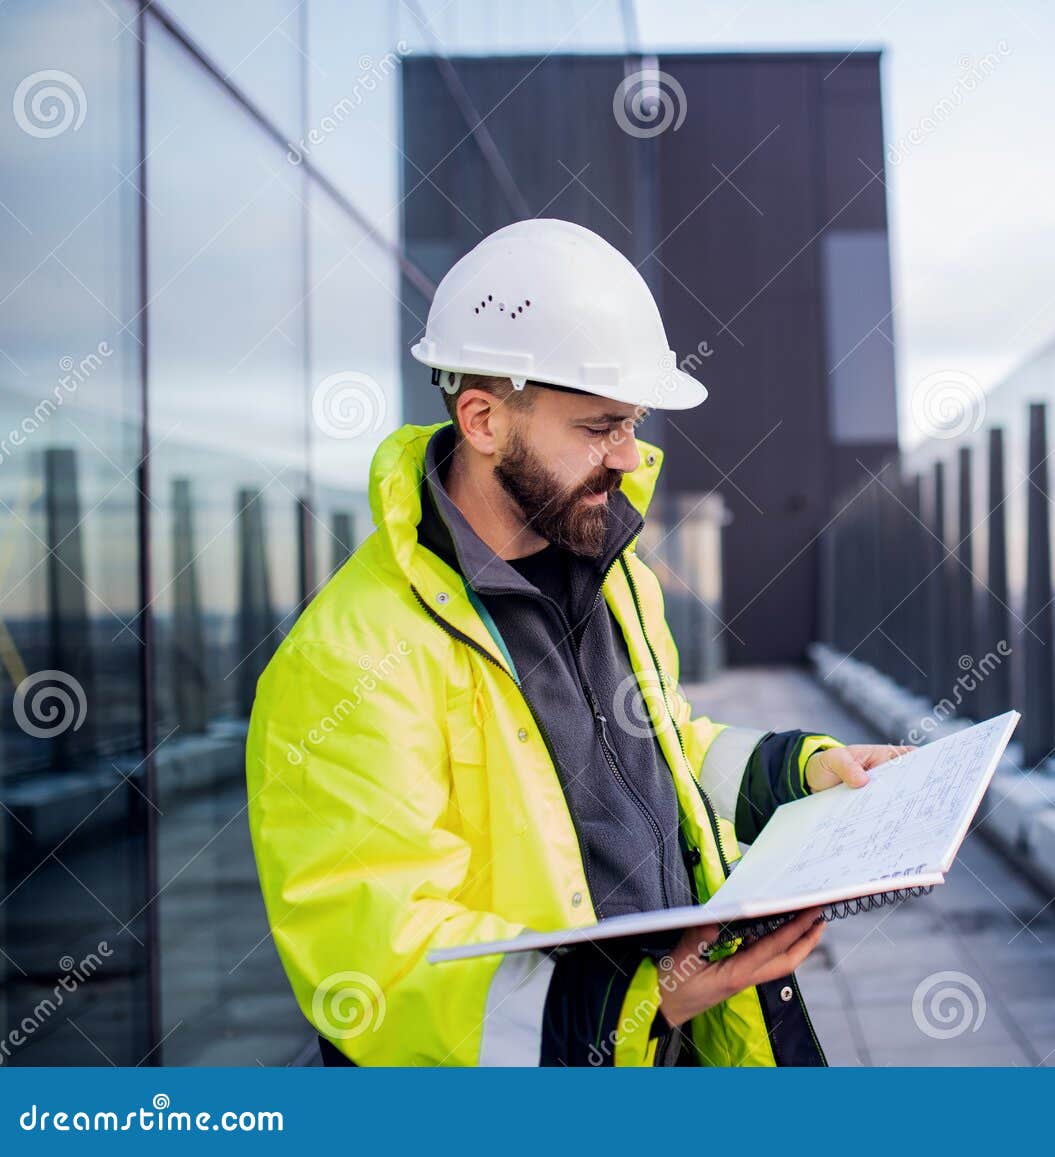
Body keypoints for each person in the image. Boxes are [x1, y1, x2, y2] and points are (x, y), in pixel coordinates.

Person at [245, 219, 910, 1067]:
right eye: (599, 427)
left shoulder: (611, 571)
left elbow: (662, 747)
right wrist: (642, 1003)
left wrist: (805, 768)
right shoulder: (347, 661)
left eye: (630, 423)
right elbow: (380, 963)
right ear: (483, 419)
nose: (631, 457)